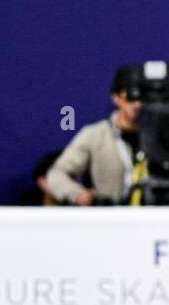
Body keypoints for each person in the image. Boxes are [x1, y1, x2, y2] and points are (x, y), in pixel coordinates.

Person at [46, 63, 147, 205]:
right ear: (116, 97)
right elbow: (56, 174)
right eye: (131, 97)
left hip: (154, 220)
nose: (137, 104)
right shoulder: (95, 135)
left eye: (143, 98)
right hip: (108, 219)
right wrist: (76, 194)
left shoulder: (161, 136)